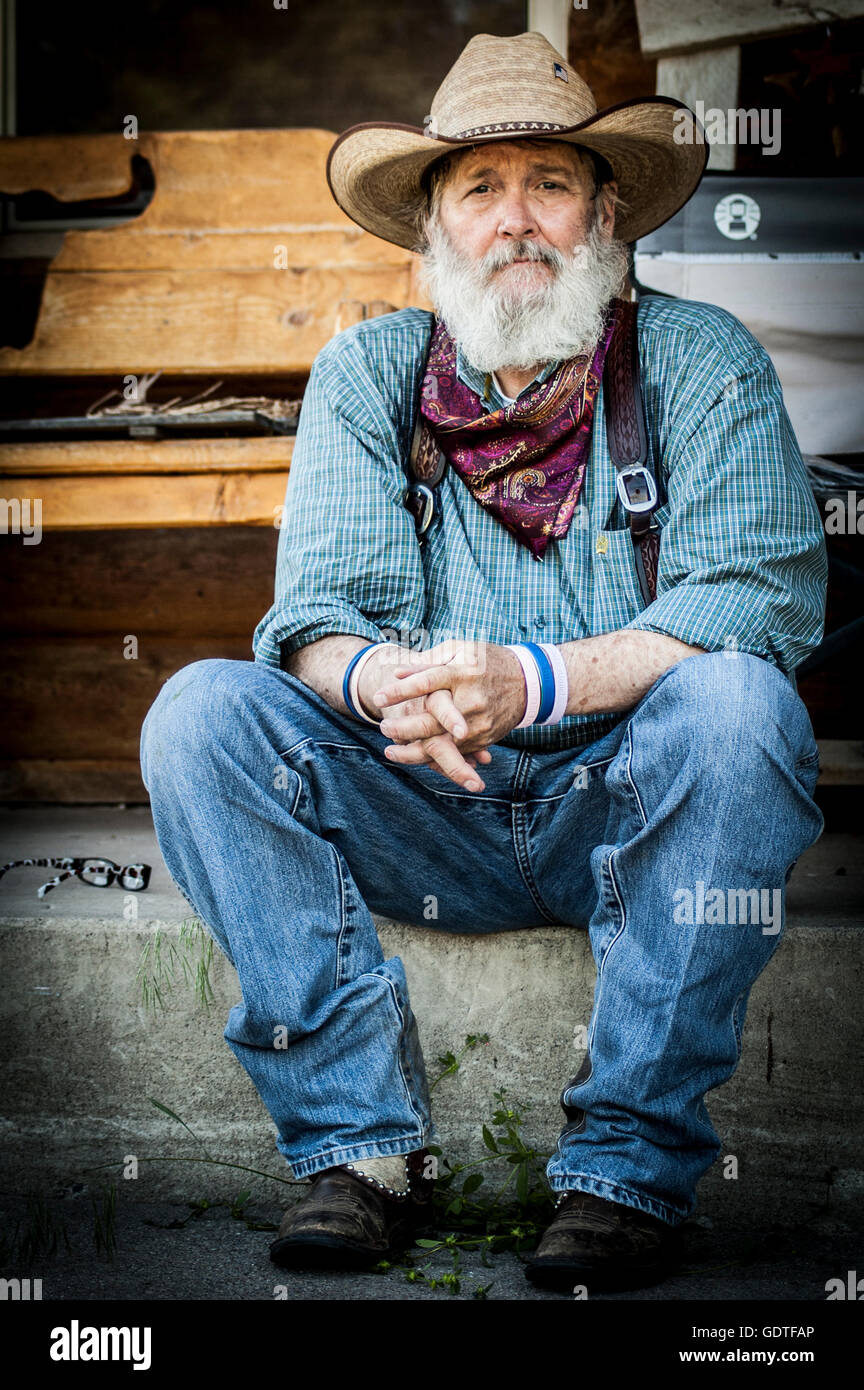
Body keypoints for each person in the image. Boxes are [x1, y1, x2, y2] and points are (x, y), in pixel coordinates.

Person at [139, 31, 827, 1293]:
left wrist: (535, 681)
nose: (518, 221)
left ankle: (625, 1171)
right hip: (426, 798)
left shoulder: (702, 359)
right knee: (200, 714)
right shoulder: (368, 373)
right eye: (479, 188)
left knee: (742, 704)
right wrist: (376, 683)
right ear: (432, 236)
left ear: (606, 214)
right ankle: (360, 1155)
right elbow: (319, 616)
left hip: (629, 804)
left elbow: (759, 597)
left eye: (551, 184)